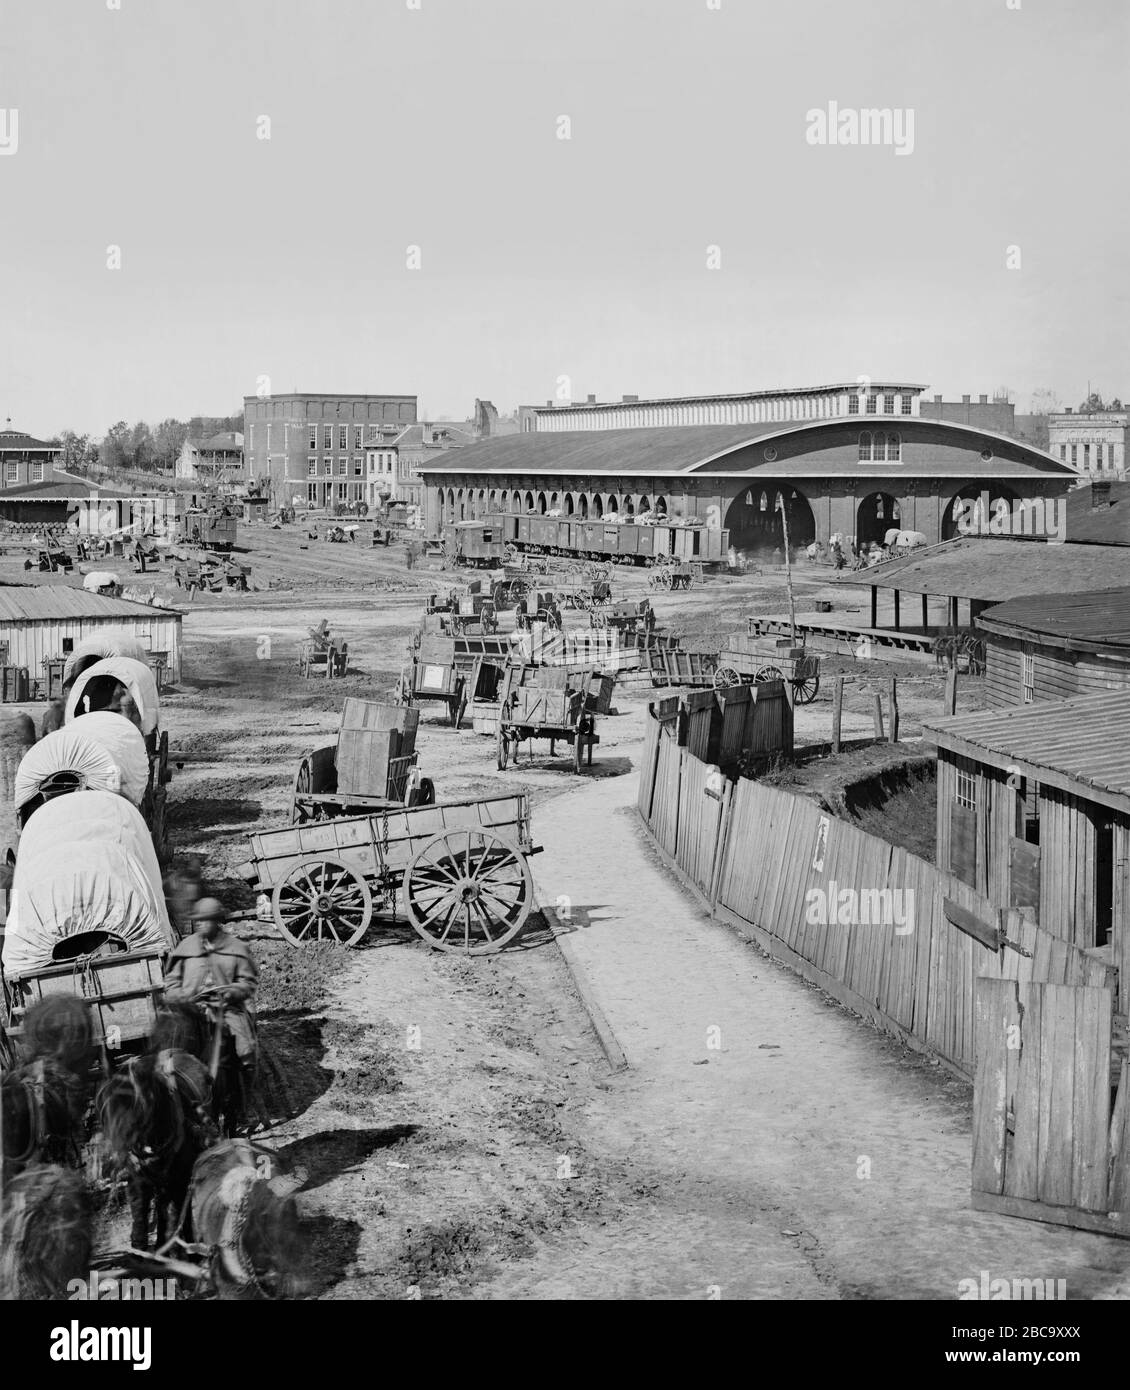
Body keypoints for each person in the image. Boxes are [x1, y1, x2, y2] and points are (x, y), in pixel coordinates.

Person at [163, 897, 259, 1131]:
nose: (202, 925)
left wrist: (233, 991)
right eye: (199, 921)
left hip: (226, 1009)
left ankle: (244, 1106)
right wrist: (181, 997)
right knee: (168, 1050)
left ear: (218, 922)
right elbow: (171, 983)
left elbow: (248, 981)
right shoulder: (185, 949)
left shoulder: (236, 948)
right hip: (190, 1011)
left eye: (208, 921)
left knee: (244, 1051)